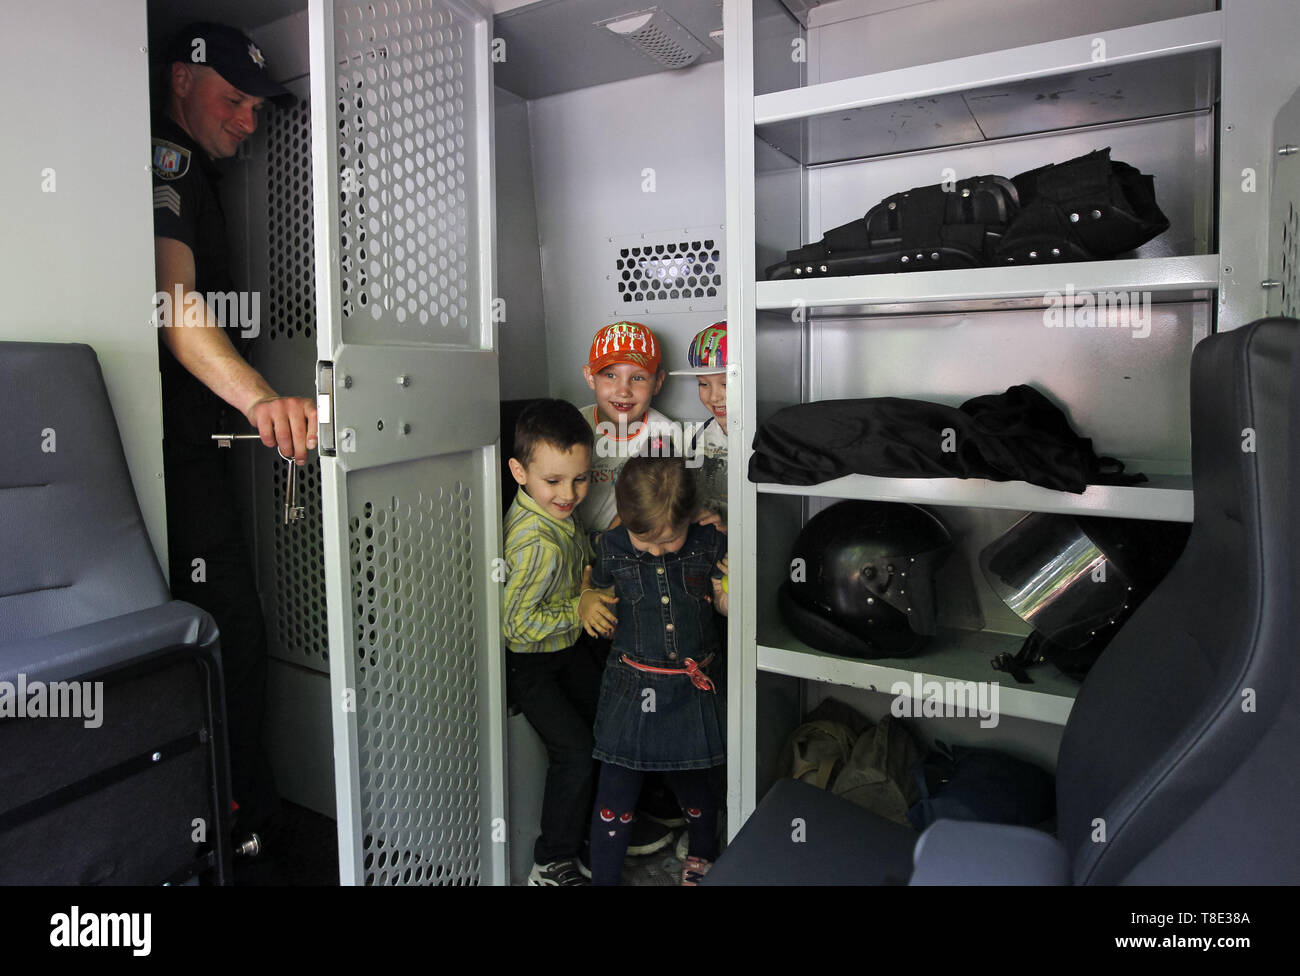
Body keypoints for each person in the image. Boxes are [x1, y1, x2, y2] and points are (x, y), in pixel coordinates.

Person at [151, 22, 316, 848]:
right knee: (228, 636)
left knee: (232, 634)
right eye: (232, 100)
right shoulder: (165, 162)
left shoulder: (197, 174)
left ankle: (234, 823)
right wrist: (262, 401)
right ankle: (235, 831)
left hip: (197, 442)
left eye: (256, 106)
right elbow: (173, 306)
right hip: (175, 445)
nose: (249, 121)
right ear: (182, 79)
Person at [587, 455, 729, 886]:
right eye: (643, 540)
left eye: (669, 541)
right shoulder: (612, 546)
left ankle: (702, 856)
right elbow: (595, 584)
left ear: (690, 517)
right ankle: (605, 877)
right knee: (615, 789)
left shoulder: (709, 542)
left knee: (696, 784)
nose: (656, 551)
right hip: (631, 686)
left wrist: (730, 592)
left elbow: (724, 603)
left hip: (690, 687)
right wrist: (586, 600)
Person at [502, 400, 619, 885]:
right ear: (519, 472)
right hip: (532, 665)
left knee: (608, 718)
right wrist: (579, 608)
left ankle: (598, 831)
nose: (569, 494)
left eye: (580, 479)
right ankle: (550, 861)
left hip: (564, 650)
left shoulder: (557, 517)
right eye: (553, 481)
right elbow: (517, 624)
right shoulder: (536, 543)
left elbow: (575, 555)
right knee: (575, 751)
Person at [577, 321, 677, 532]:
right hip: (574, 543)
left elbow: (669, 507)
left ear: (658, 382)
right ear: (589, 376)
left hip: (634, 548)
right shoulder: (573, 425)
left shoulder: (667, 433)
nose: (623, 391)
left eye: (638, 377)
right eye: (610, 375)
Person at [669, 322, 729, 527]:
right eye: (703, 384)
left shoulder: (766, 438)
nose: (714, 396)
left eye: (726, 384)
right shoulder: (696, 438)